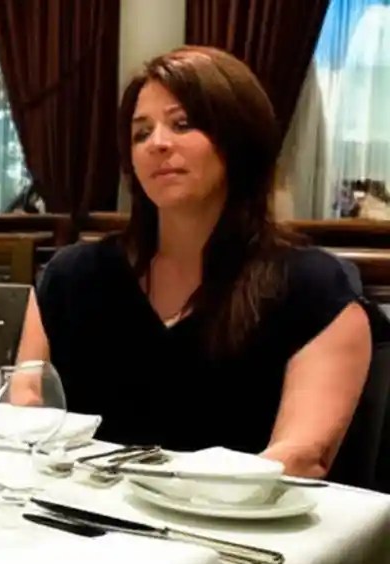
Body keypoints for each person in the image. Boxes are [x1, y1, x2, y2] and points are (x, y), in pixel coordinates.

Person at [21, 46, 374, 479]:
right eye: (140, 133)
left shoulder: (314, 289)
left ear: (240, 140)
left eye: (183, 124)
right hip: (76, 522)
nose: (158, 143)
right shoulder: (70, 277)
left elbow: (300, 458)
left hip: (232, 534)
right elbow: (23, 411)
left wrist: (174, 495)